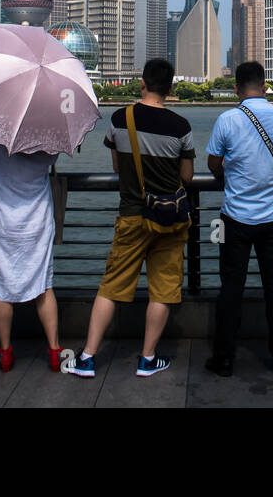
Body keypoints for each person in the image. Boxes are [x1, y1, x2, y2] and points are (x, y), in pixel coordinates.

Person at [70, 58, 194, 379]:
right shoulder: (181, 127)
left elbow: (116, 166)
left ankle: (87, 357)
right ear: (170, 88)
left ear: (142, 83)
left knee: (111, 287)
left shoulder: (119, 118)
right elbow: (188, 176)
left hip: (131, 215)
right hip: (170, 219)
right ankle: (147, 358)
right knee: (163, 290)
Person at [205, 61, 273, 377]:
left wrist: (228, 172)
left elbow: (213, 163)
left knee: (231, 286)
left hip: (234, 217)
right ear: (264, 86)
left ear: (236, 89)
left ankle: (224, 358)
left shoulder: (227, 119)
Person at [0, 136, 62, 373]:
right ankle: (54, 350)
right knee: (43, 285)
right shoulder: (50, 138)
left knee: (2, 288)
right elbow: (52, 160)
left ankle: (5, 351)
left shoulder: (1, 135)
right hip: (37, 219)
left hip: (4, 217)